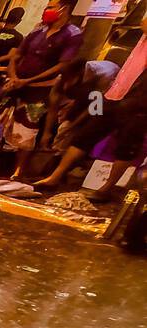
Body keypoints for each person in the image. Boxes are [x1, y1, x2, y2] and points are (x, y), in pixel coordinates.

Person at [35, 17, 147, 202]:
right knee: (84, 136)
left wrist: (78, 121)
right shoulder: (67, 79)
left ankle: (106, 188)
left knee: (126, 147)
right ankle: (54, 177)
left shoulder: (101, 73)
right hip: (112, 95)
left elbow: (93, 103)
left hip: (135, 102)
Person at [0, 0, 83, 181]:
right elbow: (17, 55)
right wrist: (14, 77)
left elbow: (62, 65)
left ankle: (17, 172)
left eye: (50, 7)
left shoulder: (72, 34)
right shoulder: (37, 30)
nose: (46, 10)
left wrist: (28, 81)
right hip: (15, 86)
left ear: (64, 9)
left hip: (39, 90)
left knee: (27, 130)